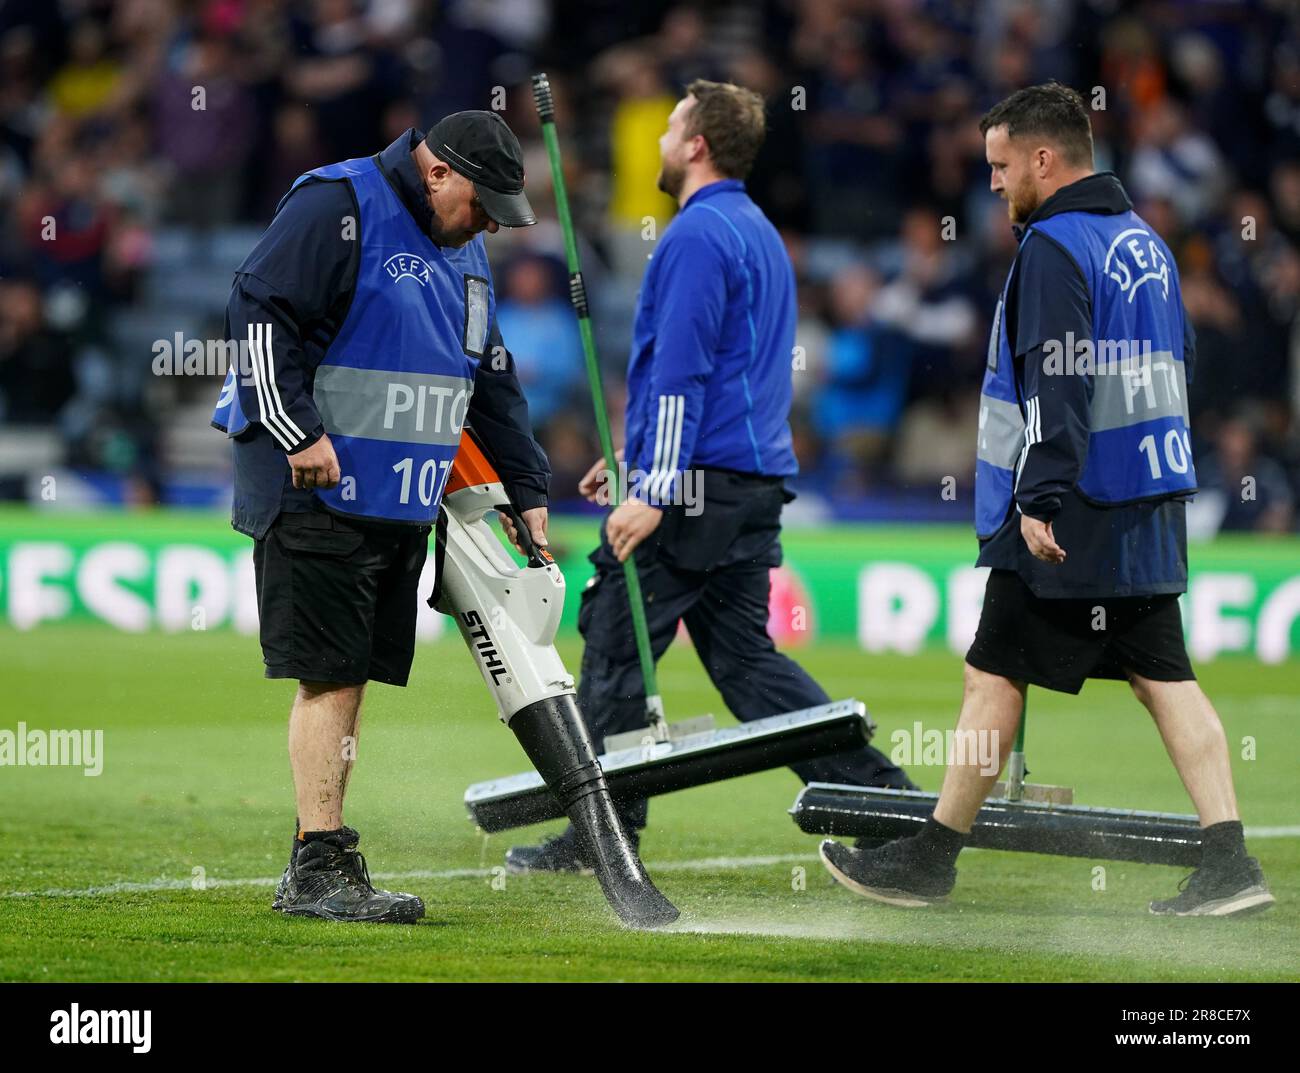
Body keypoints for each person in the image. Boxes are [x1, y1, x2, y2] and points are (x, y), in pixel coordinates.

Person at [819, 83, 1275, 918]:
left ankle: (931, 859)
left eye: (999, 167)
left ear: (1042, 158)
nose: (992, 184)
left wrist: (1041, 494)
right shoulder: (1147, 244)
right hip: (1147, 493)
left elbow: (1058, 377)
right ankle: (1229, 859)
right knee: (1162, 675)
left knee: (992, 673)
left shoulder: (1055, 248)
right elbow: (1183, 358)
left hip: (1074, 505)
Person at [211, 112, 667, 925]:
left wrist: (526, 481)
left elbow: (487, 373)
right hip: (315, 478)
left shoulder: (465, 248)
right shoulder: (334, 205)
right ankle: (316, 862)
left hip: (400, 494)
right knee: (331, 670)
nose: (491, 221)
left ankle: (320, 856)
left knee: (352, 670)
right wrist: (296, 431)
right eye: (483, 204)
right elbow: (257, 310)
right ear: (437, 173)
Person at [505, 80, 915, 874]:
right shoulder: (758, 232)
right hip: (748, 480)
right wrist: (633, 458)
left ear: (696, 144)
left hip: (697, 485)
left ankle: (603, 832)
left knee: (616, 637)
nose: (659, 140)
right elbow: (723, 375)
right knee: (745, 662)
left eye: (669, 126)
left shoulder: (695, 237)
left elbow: (685, 374)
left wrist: (654, 485)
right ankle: (888, 805)